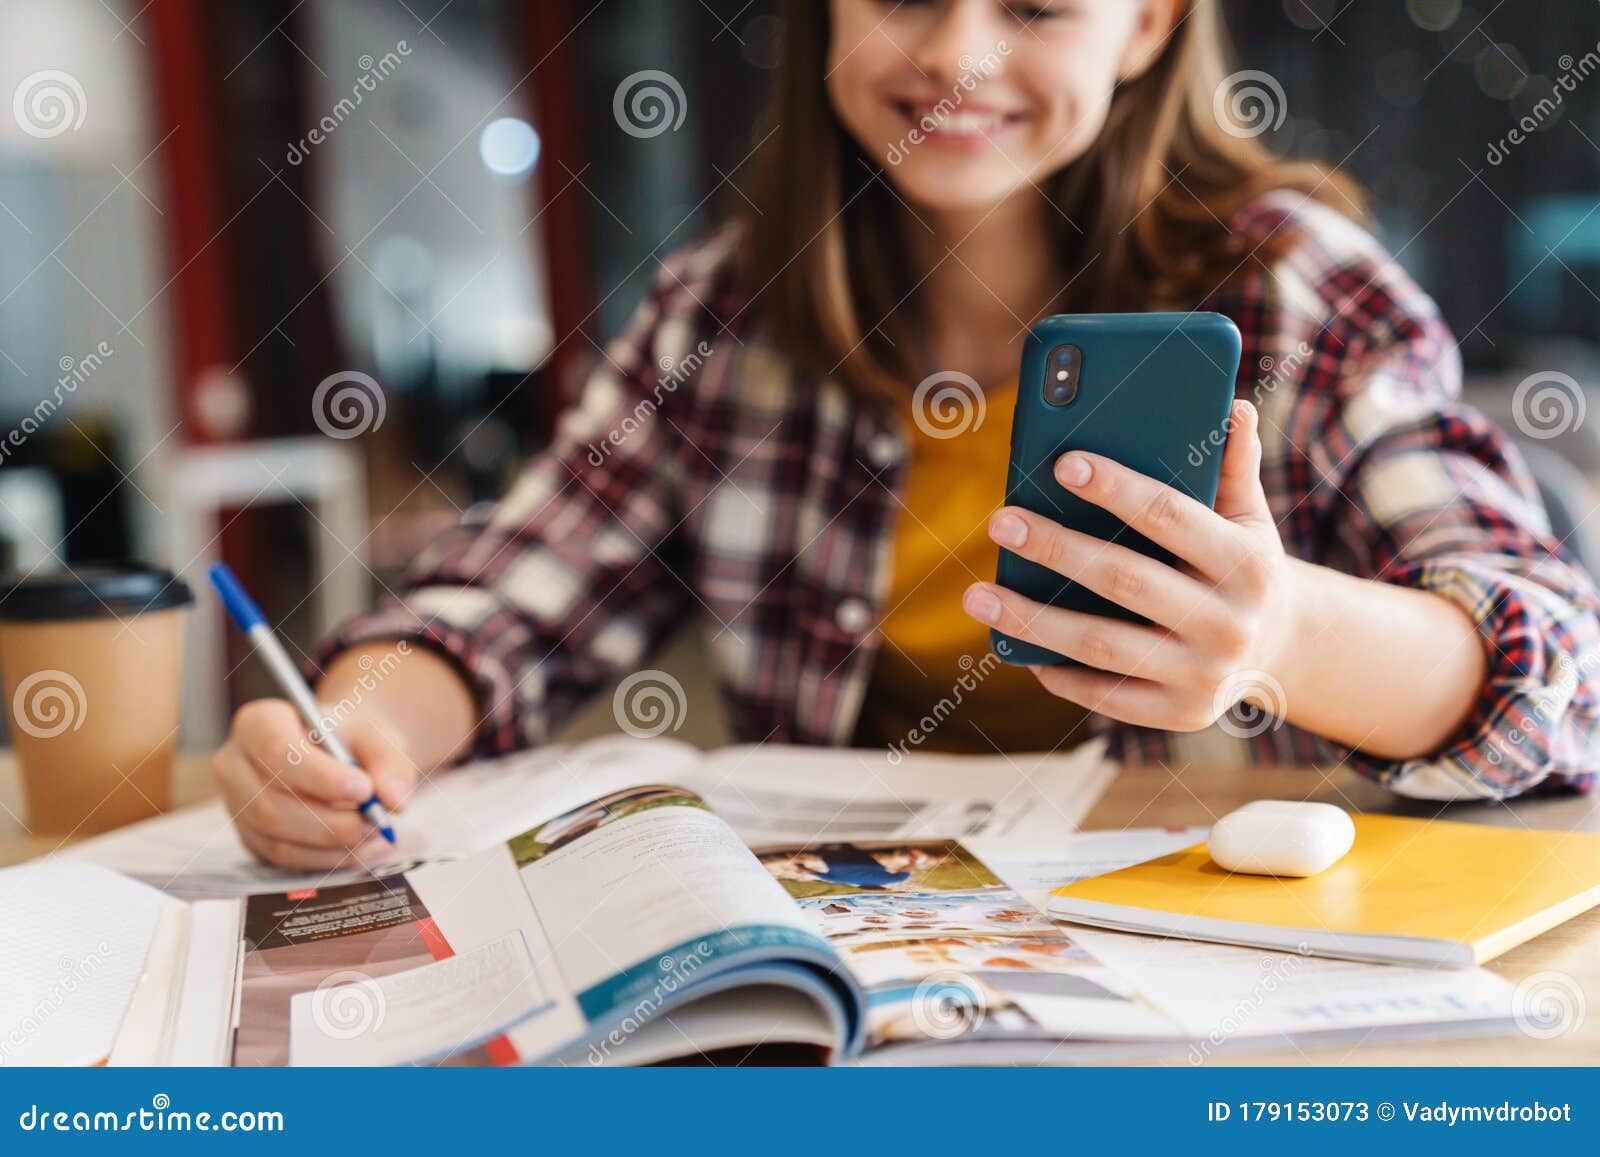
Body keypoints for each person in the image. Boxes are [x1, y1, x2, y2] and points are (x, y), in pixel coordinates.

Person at [215, 0, 1600, 869]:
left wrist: (1284, 634)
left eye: (1040, 7)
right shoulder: (723, 313)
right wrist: (354, 729)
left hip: (1216, 992)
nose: (957, 51)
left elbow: (1560, 672)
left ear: (1150, 26)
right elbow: (508, 600)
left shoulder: (1303, 291)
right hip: (852, 958)